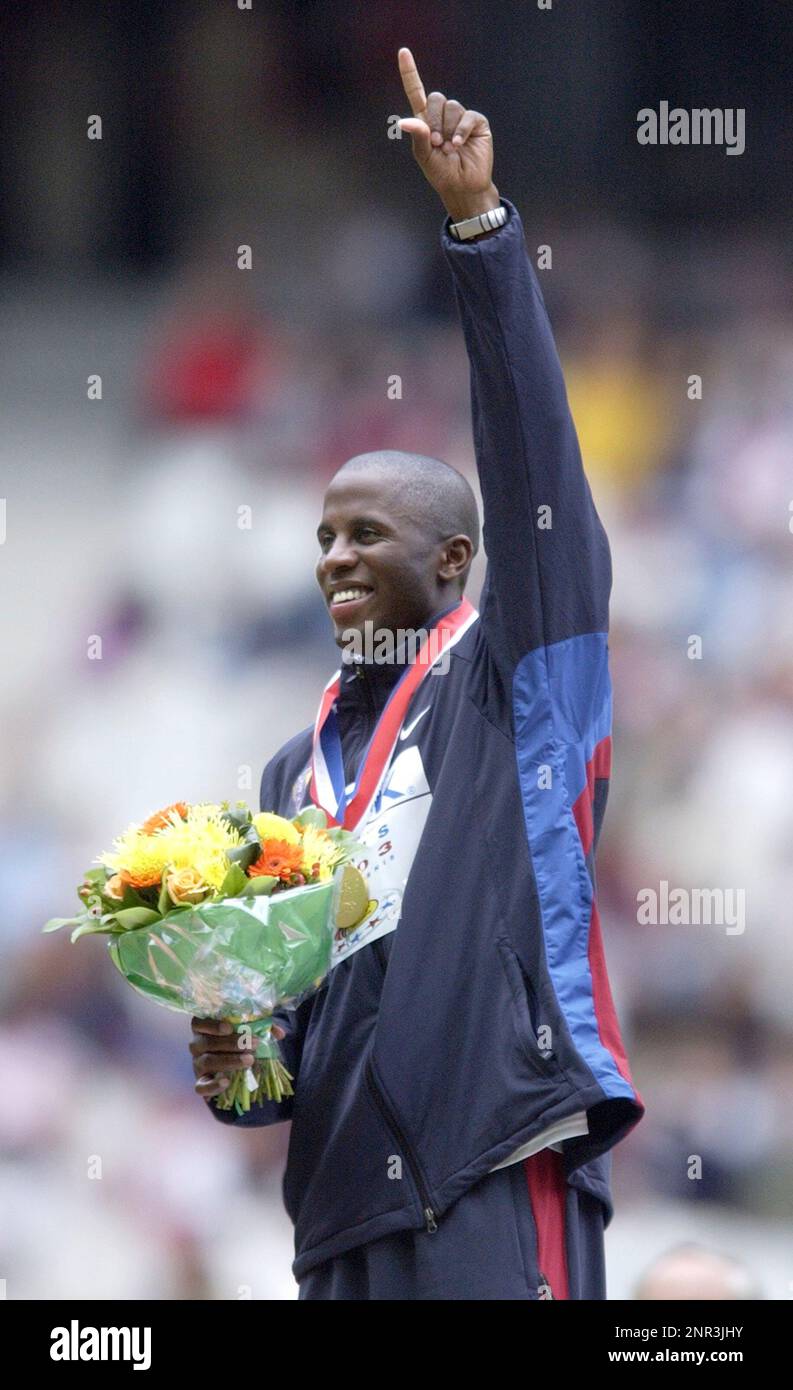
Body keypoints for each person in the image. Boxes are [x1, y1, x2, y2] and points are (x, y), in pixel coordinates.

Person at [190, 48, 644, 1300]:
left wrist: (480, 236)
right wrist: (235, 1044)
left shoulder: (512, 677)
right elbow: (268, 1067)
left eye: (365, 534)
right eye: (323, 534)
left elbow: (538, 475)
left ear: (453, 558)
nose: (332, 557)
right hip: (336, 1219)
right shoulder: (294, 771)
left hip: (488, 1174)